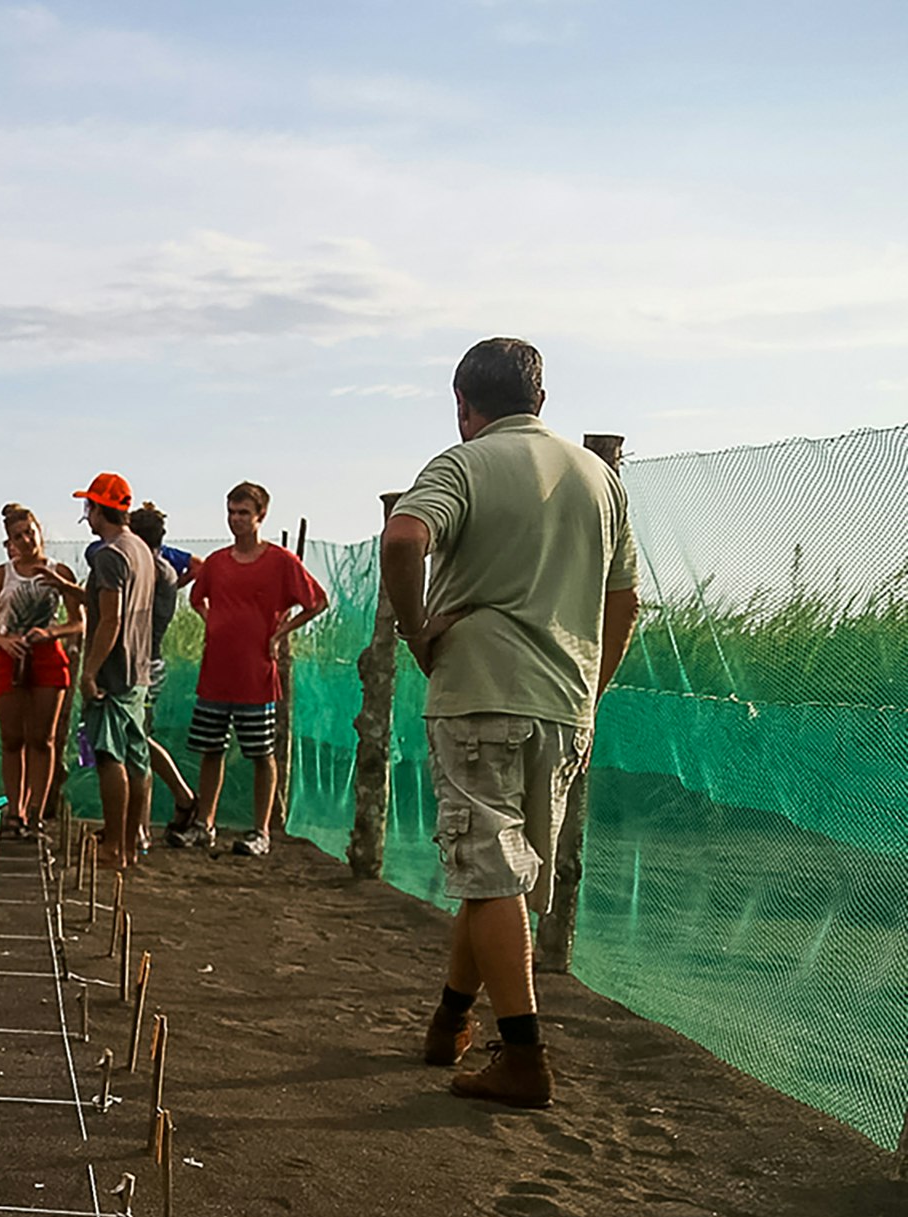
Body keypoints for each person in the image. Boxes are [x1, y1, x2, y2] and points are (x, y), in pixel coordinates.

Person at [384, 336, 638, 1109]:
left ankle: (524, 1057)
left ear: (464, 403)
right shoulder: (599, 478)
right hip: (564, 701)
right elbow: (625, 598)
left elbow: (402, 537)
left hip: (480, 692)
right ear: (542, 400)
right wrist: (591, 685)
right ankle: (449, 1022)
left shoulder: (461, 465)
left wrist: (417, 628)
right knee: (502, 872)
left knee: (490, 872)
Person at [184, 482, 330, 856]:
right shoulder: (216, 562)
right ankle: (204, 825)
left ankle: (261, 831)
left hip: (256, 675)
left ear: (260, 516)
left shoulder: (281, 562)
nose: (236, 519)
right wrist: (211, 622)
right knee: (210, 749)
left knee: (261, 753)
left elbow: (318, 602)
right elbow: (195, 599)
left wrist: (281, 631)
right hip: (216, 673)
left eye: (243, 512)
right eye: (231, 512)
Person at [0, 503, 83, 836]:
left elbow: (77, 622)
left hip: (47, 655)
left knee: (43, 739)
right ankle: (15, 810)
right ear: (9, 541)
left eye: (30, 533)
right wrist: (2, 641)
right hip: (9, 656)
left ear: (40, 531)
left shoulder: (60, 572)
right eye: (17, 536)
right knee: (12, 738)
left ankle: (38, 810)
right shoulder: (1, 574)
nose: (26, 541)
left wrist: (50, 632)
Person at [72, 473, 160, 868]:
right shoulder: (139, 548)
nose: (86, 514)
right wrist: (67, 588)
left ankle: (113, 847)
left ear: (96, 508)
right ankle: (129, 844)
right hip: (139, 670)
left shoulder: (108, 555)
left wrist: (89, 673)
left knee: (110, 757)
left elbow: (109, 619)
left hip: (112, 672)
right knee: (137, 758)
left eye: (88, 506)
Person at [128, 504, 206, 842]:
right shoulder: (164, 569)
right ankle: (181, 799)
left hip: (143, 665)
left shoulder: (153, 571)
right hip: (146, 663)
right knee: (136, 740)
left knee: (136, 743)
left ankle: (142, 827)